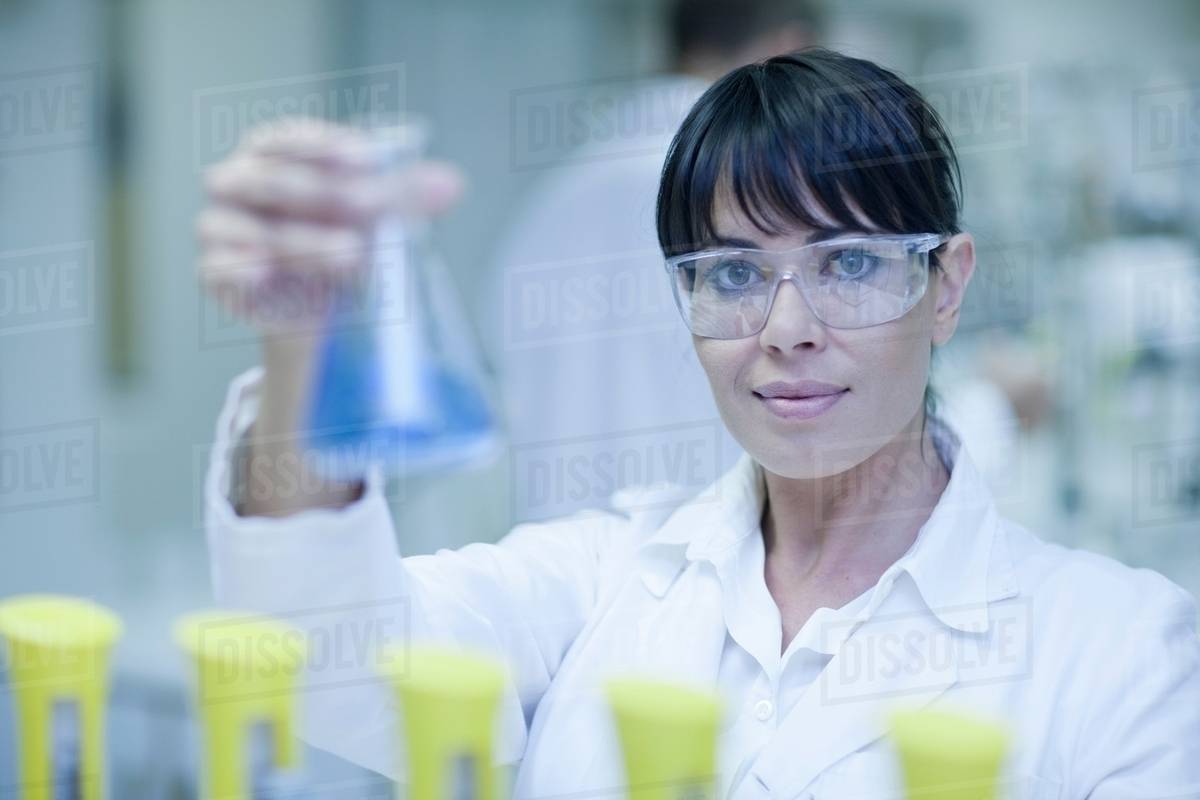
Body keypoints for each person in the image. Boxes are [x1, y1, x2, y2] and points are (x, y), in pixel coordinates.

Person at [197, 50, 1200, 799]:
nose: (786, 329)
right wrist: (303, 346)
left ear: (947, 284)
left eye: (848, 262)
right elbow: (332, 664)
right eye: (731, 274)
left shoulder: (1125, 652)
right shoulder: (605, 578)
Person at [487, 0, 821, 523]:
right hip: (713, 560)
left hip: (561, 562)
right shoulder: (768, 197)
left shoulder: (549, 200)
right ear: (788, 50)